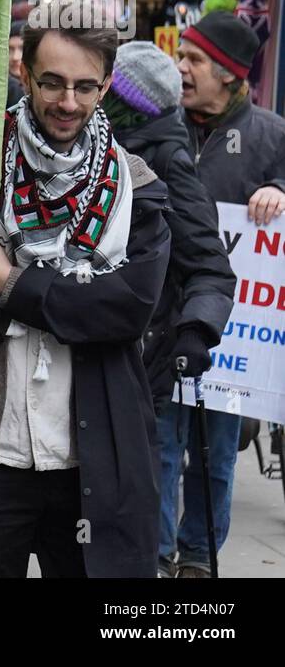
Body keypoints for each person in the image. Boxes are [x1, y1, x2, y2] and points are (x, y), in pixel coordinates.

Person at [0, 17, 172, 578]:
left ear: (105, 86)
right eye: (52, 82)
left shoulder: (136, 187)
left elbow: (126, 308)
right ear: (24, 74)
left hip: (91, 463)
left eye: (84, 86)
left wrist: (13, 284)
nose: (67, 102)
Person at [101, 42, 237, 578]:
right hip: (79, 347)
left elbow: (210, 263)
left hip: (142, 356)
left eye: (106, 87)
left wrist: (196, 329)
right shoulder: (91, 146)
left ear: (128, 101)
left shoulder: (166, 161)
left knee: (141, 478)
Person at [171, 11, 285, 577]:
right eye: (181, 56)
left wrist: (280, 189)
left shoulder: (271, 135)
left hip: (234, 340)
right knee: (159, 446)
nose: (180, 67)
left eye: (194, 59)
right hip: (164, 320)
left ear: (229, 75)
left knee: (216, 454)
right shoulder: (164, 123)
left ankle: (197, 557)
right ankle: (155, 554)